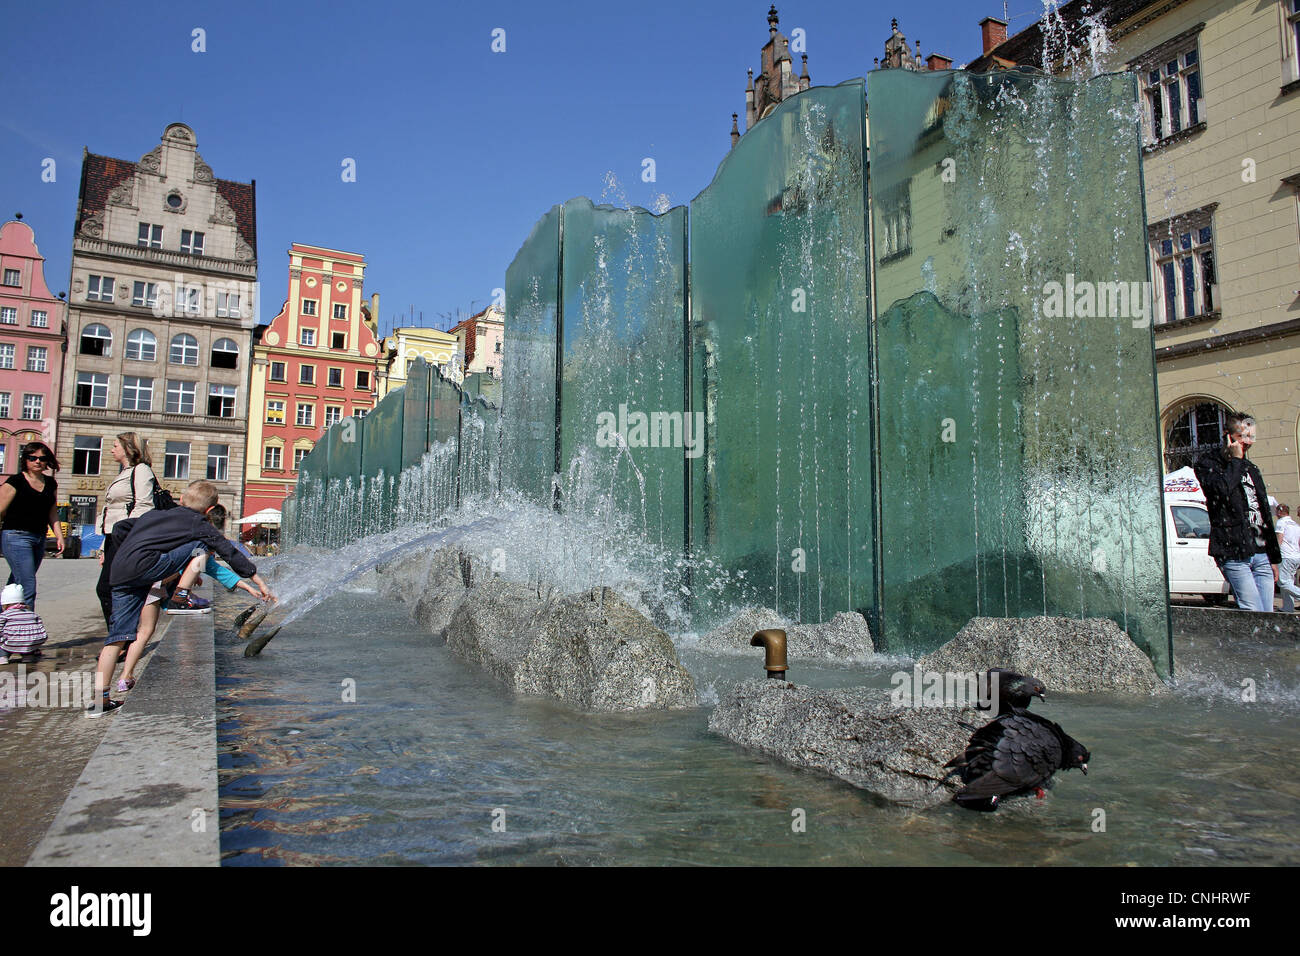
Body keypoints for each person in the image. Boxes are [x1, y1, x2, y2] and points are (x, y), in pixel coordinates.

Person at [89, 480, 271, 716]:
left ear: (182, 500)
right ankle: (180, 596)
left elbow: (121, 528)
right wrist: (256, 578)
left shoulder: (153, 515)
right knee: (201, 545)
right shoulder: (198, 524)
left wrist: (128, 551)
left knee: (116, 638)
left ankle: (99, 700)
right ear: (208, 511)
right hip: (147, 567)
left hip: (120, 572)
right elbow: (226, 549)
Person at [114, 504, 274, 693]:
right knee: (145, 631)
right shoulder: (197, 549)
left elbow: (218, 571)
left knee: (141, 631)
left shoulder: (170, 536)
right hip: (156, 584)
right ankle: (125, 676)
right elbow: (215, 568)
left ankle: (123, 672)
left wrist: (249, 587)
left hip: (146, 581)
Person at [1193, 412, 1281, 612]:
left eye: (1251, 437)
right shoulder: (1208, 464)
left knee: (1268, 616)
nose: (1248, 442)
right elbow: (1221, 491)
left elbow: (1263, 512)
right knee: (1254, 613)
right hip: (1233, 550)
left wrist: (1273, 557)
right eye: (1243, 436)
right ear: (1228, 435)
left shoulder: (1251, 468)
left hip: (1261, 553)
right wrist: (1235, 461)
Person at [95, 433, 157, 630]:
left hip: (124, 537)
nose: (112, 449)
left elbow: (144, 506)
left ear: (128, 448)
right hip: (113, 537)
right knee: (108, 588)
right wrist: (104, 546)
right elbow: (110, 513)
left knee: (109, 588)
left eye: (115, 446)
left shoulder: (141, 470)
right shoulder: (124, 472)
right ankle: (119, 636)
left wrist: (127, 538)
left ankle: (120, 638)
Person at [0, 441, 64, 610]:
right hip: (16, 537)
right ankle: (26, 629)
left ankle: (4, 622)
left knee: (15, 584)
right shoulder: (15, 481)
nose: (37, 461)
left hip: (39, 538)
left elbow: (52, 512)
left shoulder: (51, 484)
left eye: (42, 459)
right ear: (25, 459)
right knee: (27, 585)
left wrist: (59, 535)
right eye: (32, 458)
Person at [0, 582, 49, 664]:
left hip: (11, 644)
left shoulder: (5, 615)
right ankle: (28, 657)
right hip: (31, 644)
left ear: (4, 605)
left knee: (6, 643)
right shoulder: (32, 614)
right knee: (26, 640)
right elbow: (40, 628)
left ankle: (3, 657)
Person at [1275, 503, 1300, 613]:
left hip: (1286, 556)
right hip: (1296, 557)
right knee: (1289, 582)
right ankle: (1288, 607)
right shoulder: (1295, 524)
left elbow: (1279, 539)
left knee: (1283, 582)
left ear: (1280, 512)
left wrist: (1274, 553)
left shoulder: (1281, 522)